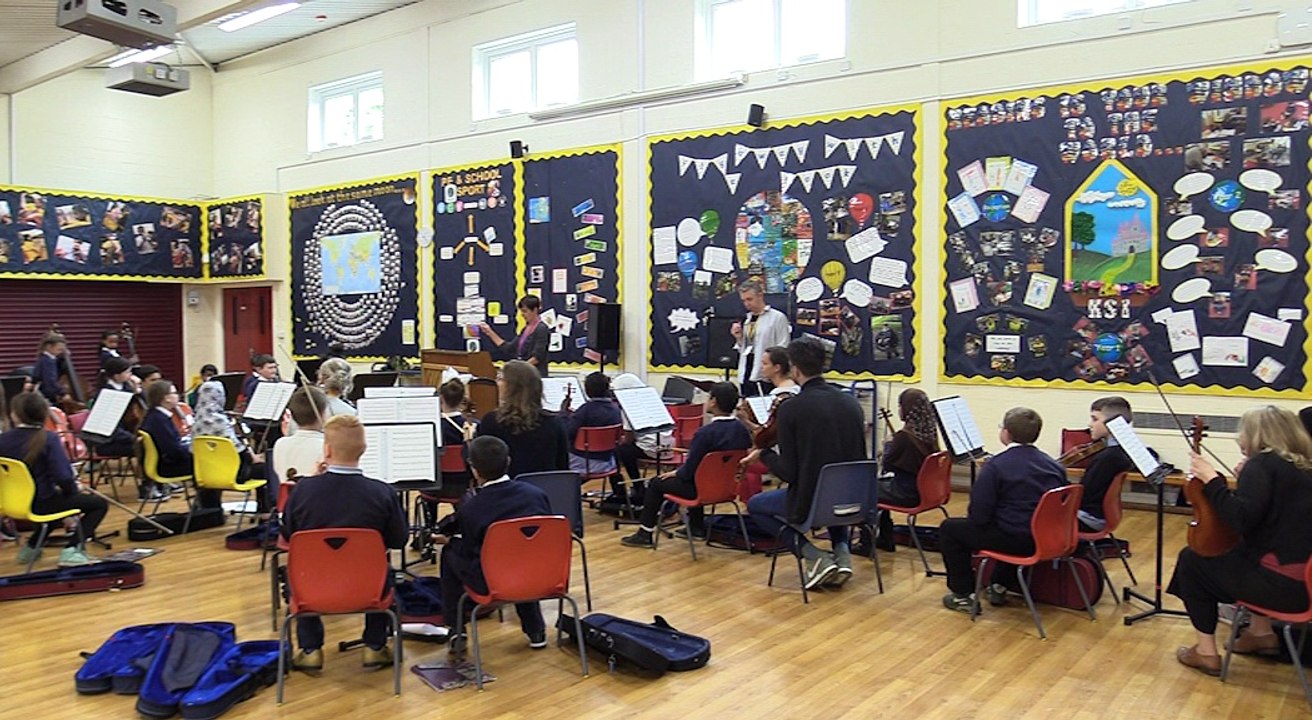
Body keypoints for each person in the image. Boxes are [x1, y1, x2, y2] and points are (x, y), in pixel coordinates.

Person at [1168, 405, 1312, 676]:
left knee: (1192, 560)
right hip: (1304, 582)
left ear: (1258, 435)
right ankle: (1261, 633)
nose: (1239, 439)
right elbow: (1267, 524)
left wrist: (1212, 480)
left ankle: (1206, 653)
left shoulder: (1262, 464)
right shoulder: (1302, 466)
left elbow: (1241, 521)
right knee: (1246, 552)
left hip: (1284, 590)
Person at [281, 415, 408, 671]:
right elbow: (399, 539)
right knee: (384, 571)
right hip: (368, 587)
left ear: (326, 450)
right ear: (364, 450)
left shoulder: (303, 491)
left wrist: (311, 481)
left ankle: (310, 649)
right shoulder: (382, 493)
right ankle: (375, 646)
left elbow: (288, 534)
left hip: (312, 586)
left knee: (298, 572)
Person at [741, 339, 866, 588]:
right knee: (833, 491)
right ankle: (842, 556)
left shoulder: (792, 408)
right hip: (853, 500)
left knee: (756, 505)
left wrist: (764, 454)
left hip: (812, 503)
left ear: (795, 369)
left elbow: (788, 472)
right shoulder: (850, 401)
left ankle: (813, 556)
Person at [938, 407, 1066, 612]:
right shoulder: (1054, 465)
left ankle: (963, 594)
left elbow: (978, 516)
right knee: (1014, 522)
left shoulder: (996, 466)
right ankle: (999, 585)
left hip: (1016, 540)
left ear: (1006, 433)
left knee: (950, 529)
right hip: (1049, 539)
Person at [437, 435, 555, 653]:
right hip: (540, 575)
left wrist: (450, 540)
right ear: (508, 461)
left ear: (473, 469)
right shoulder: (536, 494)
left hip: (493, 581)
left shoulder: (473, 506)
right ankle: (535, 630)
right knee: (520, 553)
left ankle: (456, 629)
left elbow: (471, 551)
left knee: (450, 552)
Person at [621, 382, 751, 547]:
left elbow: (689, 471)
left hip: (701, 488)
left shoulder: (705, 433)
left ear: (714, 401)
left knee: (656, 483)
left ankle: (644, 534)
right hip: (728, 487)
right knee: (699, 477)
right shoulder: (742, 429)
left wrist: (677, 473)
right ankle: (696, 527)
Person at [0, 392, 107, 567]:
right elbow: (64, 477)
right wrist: (74, 490)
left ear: (14, 414)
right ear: (43, 413)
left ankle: (31, 549)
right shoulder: (48, 438)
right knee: (98, 504)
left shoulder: (2, 440)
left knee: (57, 505)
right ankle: (72, 550)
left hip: (11, 504)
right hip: (40, 503)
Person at [871, 389, 941, 551]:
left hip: (907, 493)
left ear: (907, 409)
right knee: (878, 486)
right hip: (928, 492)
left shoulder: (904, 437)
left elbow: (887, 466)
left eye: (900, 405)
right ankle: (884, 537)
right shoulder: (930, 434)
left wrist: (888, 445)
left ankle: (870, 541)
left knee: (868, 488)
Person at [474, 360, 568, 479]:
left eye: (500, 378)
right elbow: (563, 469)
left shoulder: (492, 421)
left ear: (512, 387)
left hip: (506, 494)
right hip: (546, 493)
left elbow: (484, 468)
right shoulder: (555, 423)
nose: (496, 383)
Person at [733, 346, 800, 501]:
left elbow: (767, 434)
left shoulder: (779, 396)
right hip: (793, 452)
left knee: (745, 462)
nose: (761, 367)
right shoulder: (797, 389)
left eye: (764, 364)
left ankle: (752, 507)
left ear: (777, 368)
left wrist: (745, 420)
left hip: (781, 455)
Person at [192, 380, 267, 509]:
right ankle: (265, 511)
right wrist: (255, 458)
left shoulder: (196, 420)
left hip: (205, 474)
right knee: (265, 469)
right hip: (232, 475)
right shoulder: (220, 421)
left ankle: (210, 511)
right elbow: (240, 453)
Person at [611, 373, 673, 510]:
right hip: (668, 448)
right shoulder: (654, 400)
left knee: (618, 451)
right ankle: (639, 488)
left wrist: (617, 441)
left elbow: (628, 439)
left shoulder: (630, 406)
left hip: (651, 450)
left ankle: (631, 488)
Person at [1075, 396, 1137, 532]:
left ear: (1113, 423)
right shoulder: (1124, 450)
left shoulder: (1108, 457)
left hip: (1088, 519)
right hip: (1101, 516)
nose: (1090, 424)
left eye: (1095, 419)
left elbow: (1083, 494)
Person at [730, 280, 791, 397]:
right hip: (747, 369)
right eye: (743, 300)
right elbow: (747, 347)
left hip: (767, 375)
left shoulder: (777, 317)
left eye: (749, 299)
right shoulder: (747, 319)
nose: (746, 304)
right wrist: (739, 338)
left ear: (760, 295)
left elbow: (783, 347)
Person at [271, 386, 329, 504]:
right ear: (323, 414)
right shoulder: (327, 446)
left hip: (287, 509)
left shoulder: (280, 443)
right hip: (316, 511)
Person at [562, 372, 623, 477]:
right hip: (609, 461)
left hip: (584, 461)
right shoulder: (616, 409)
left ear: (587, 391)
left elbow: (568, 433)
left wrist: (563, 413)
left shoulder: (585, 410)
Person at [140, 379, 192, 501]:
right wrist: (193, 450)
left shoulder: (157, 416)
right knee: (207, 463)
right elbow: (173, 450)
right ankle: (208, 505)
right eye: (174, 392)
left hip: (166, 462)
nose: (177, 395)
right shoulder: (160, 420)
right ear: (166, 398)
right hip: (167, 467)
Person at [477, 296, 551, 377]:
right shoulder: (525, 329)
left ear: (535, 310)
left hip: (534, 376)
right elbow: (509, 348)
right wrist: (489, 332)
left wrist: (518, 369)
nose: (522, 314)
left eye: (525, 311)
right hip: (524, 373)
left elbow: (537, 357)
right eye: (521, 311)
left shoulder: (542, 329)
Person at [33, 334, 73, 407]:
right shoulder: (48, 362)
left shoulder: (46, 359)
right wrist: (62, 393)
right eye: (59, 349)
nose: (61, 352)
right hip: (47, 395)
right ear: (49, 347)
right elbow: (50, 380)